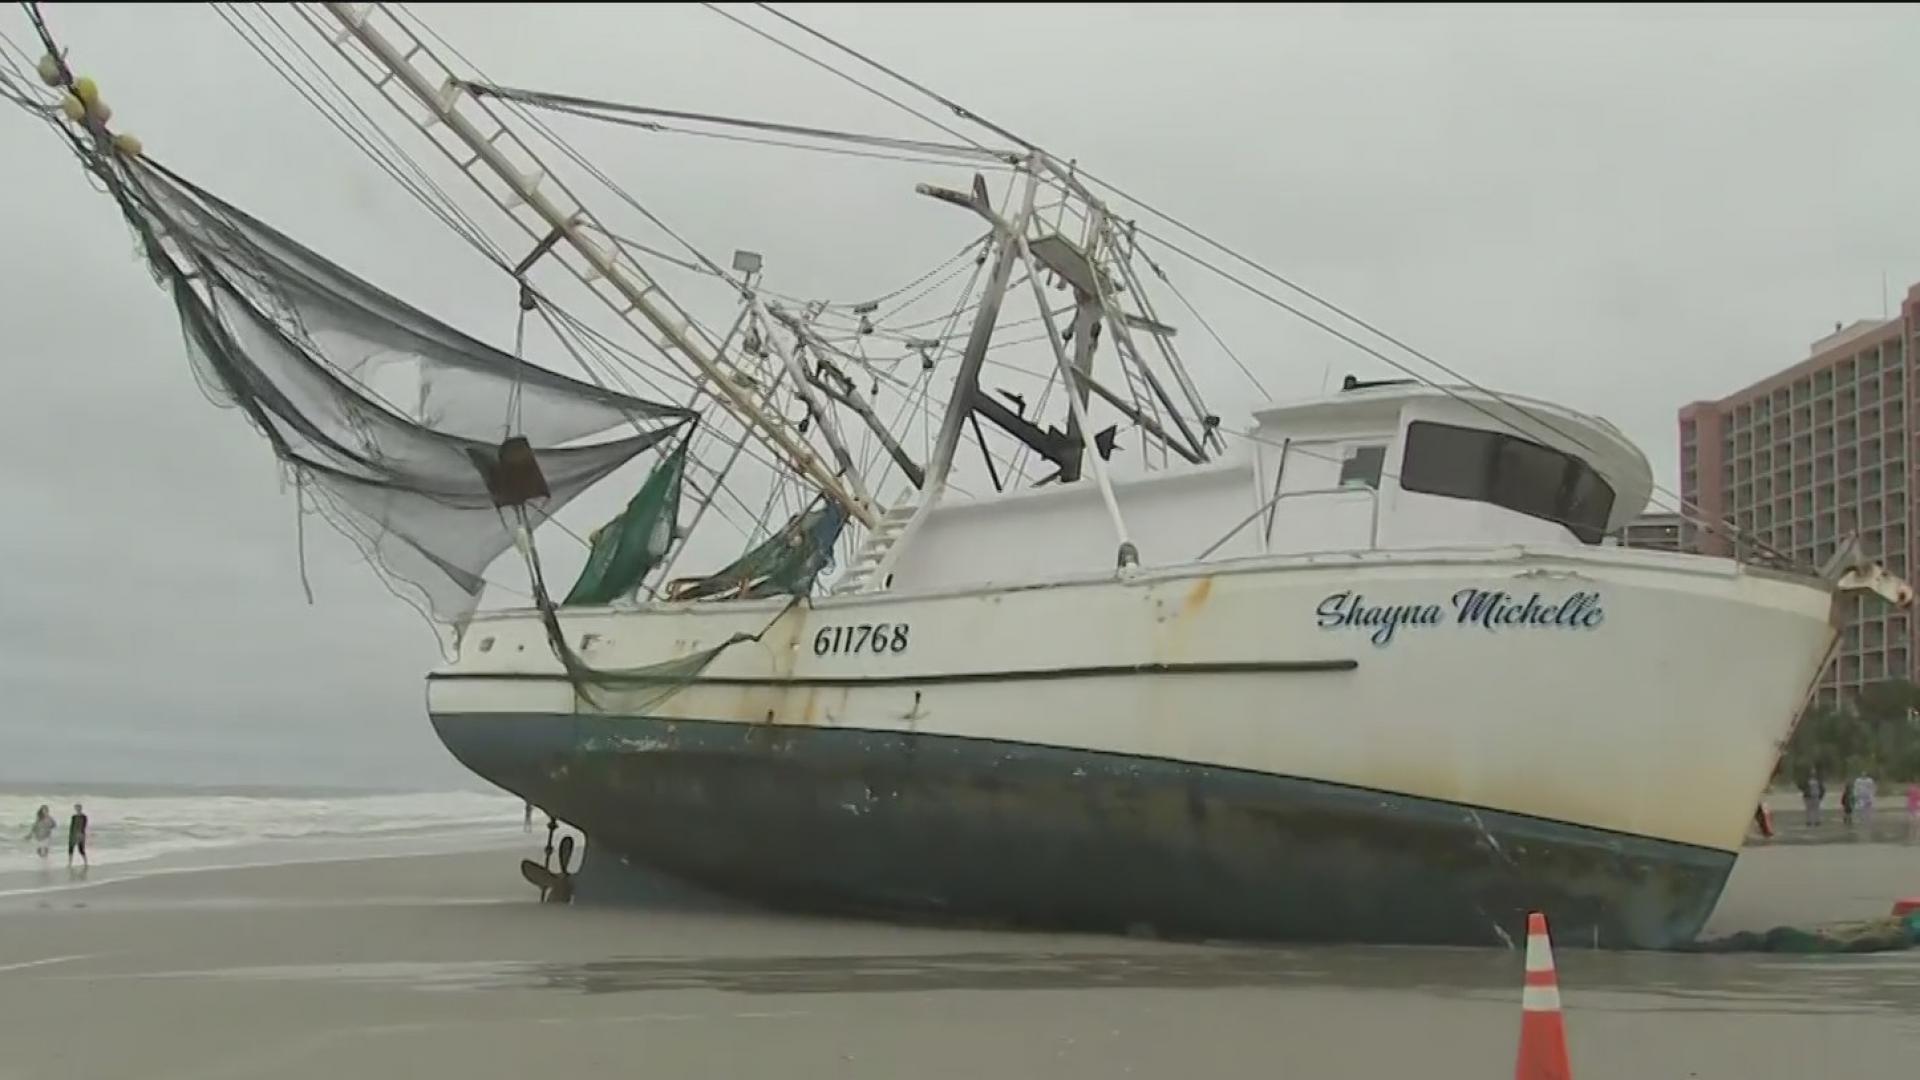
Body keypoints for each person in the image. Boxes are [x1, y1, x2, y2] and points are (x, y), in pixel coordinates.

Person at [66, 803, 88, 868]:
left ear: (81, 808)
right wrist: (70, 835)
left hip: (80, 834)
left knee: (81, 849)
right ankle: (70, 863)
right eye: (76, 808)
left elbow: (84, 826)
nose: (77, 809)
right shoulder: (73, 817)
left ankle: (85, 862)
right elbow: (72, 826)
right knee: (70, 849)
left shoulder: (84, 817)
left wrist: (81, 834)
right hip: (73, 834)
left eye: (78, 808)